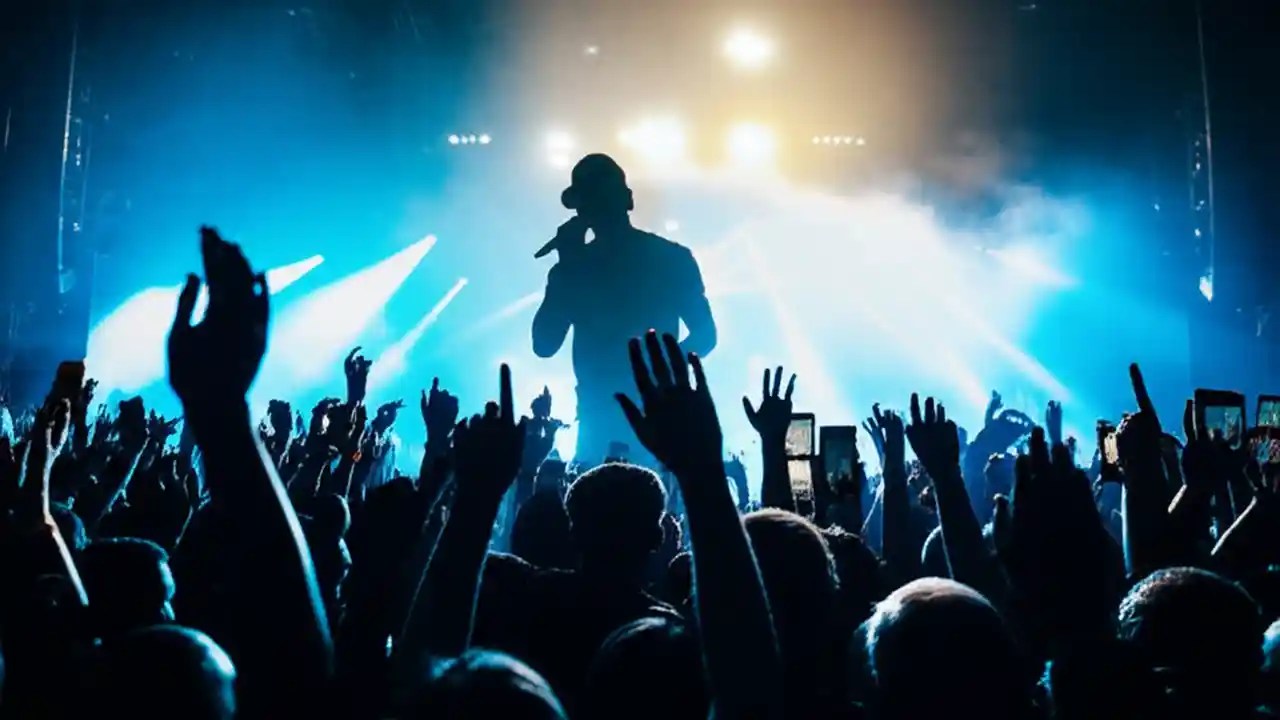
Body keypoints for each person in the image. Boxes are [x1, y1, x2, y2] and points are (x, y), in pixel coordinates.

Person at [531, 154, 717, 465]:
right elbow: (544, 345)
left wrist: (654, 373)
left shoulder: (668, 259)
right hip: (627, 415)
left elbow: (544, 345)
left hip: (643, 416)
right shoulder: (671, 258)